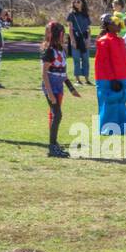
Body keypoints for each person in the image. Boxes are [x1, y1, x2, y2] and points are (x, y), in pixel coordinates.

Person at [41, 20, 80, 157]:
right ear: (57, 35)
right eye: (63, 34)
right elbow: (44, 74)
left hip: (59, 87)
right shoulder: (49, 51)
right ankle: (52, 148)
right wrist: (50, 93)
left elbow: (63, 73)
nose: (65, 37)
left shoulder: (61, 50)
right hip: (51, 87)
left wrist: (71, 89)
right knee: (57, 115)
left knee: (56, 115)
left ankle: (54, 144)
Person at [93, 13, 126, 136]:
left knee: (121, 102)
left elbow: (123, 61)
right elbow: (104, 63)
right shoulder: (104, 41)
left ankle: (121, 126)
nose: (119, 26)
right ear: (108, 26)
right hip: (108, 79)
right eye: (116, 23)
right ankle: (107, 127)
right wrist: (112, 79)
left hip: (122, 78)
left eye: (120, 23)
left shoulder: (119, 40)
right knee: (110, 102)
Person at [66, 0, 92, 86]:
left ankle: (87, 79)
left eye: (78, 2)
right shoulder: (71, 14)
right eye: (75, 2)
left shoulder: (86, 14)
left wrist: (89, 39)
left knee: (86, 59)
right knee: (76, 58)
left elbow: (89, 28)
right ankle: (77, 79)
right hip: (75, 38)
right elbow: (70, 28)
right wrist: (72, 40)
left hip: (84, 38)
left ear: (82, 3)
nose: (76, 3)